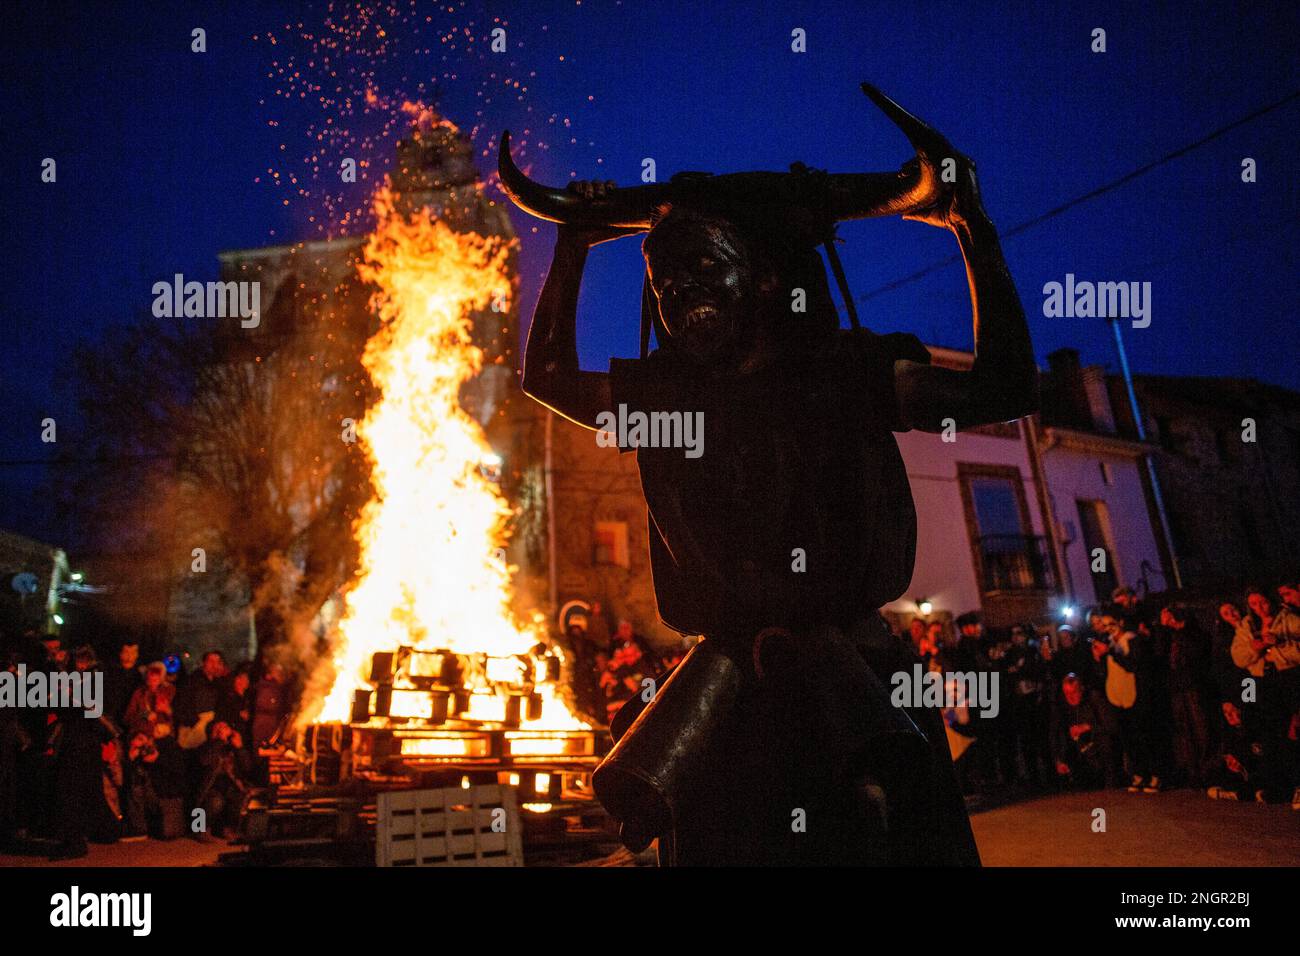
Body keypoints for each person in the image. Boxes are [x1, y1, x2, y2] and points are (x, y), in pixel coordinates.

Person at [511, 82, 1036, 864]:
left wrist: (973, 231)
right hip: (723, 701)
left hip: (858, 683)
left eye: (703, 267)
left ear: (761, 278)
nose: (679, 291)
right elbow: (548, 378)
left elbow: (1004, 387)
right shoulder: (662, 393)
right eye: (664, 280)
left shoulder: (847, 371)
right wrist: (572, 245)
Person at [1160, 604, 1212, 787]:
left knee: (1200, 728)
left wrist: (1177, 629)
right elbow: (1161, 653)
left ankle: (1207, 769)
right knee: (1184, 730)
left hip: (1194, 686)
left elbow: (1197, 653)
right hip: (1177, 688)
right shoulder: (1169, 636)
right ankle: (1193, 771)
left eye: (1170, 617)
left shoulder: (1194, 632)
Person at [1051, 674, 1115, 789]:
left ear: (1082, 689)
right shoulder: (1062, 707)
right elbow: (1055, 734)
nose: (1070, 697)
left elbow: (1111, 725)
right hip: (1080, 754)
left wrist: (1087, 727)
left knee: (1106, 743)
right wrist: (1059, 760)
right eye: (1067, 693)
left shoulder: (1094, 699)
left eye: (1074, 692)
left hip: (1099, 749)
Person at [101, 639, 143, 726]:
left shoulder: (140, 676)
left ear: (137, 654)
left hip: (127, 722)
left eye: (133, 652)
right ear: (120, 653)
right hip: (105, 719)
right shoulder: (108, 672)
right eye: (126, 652)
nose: (130, 656)